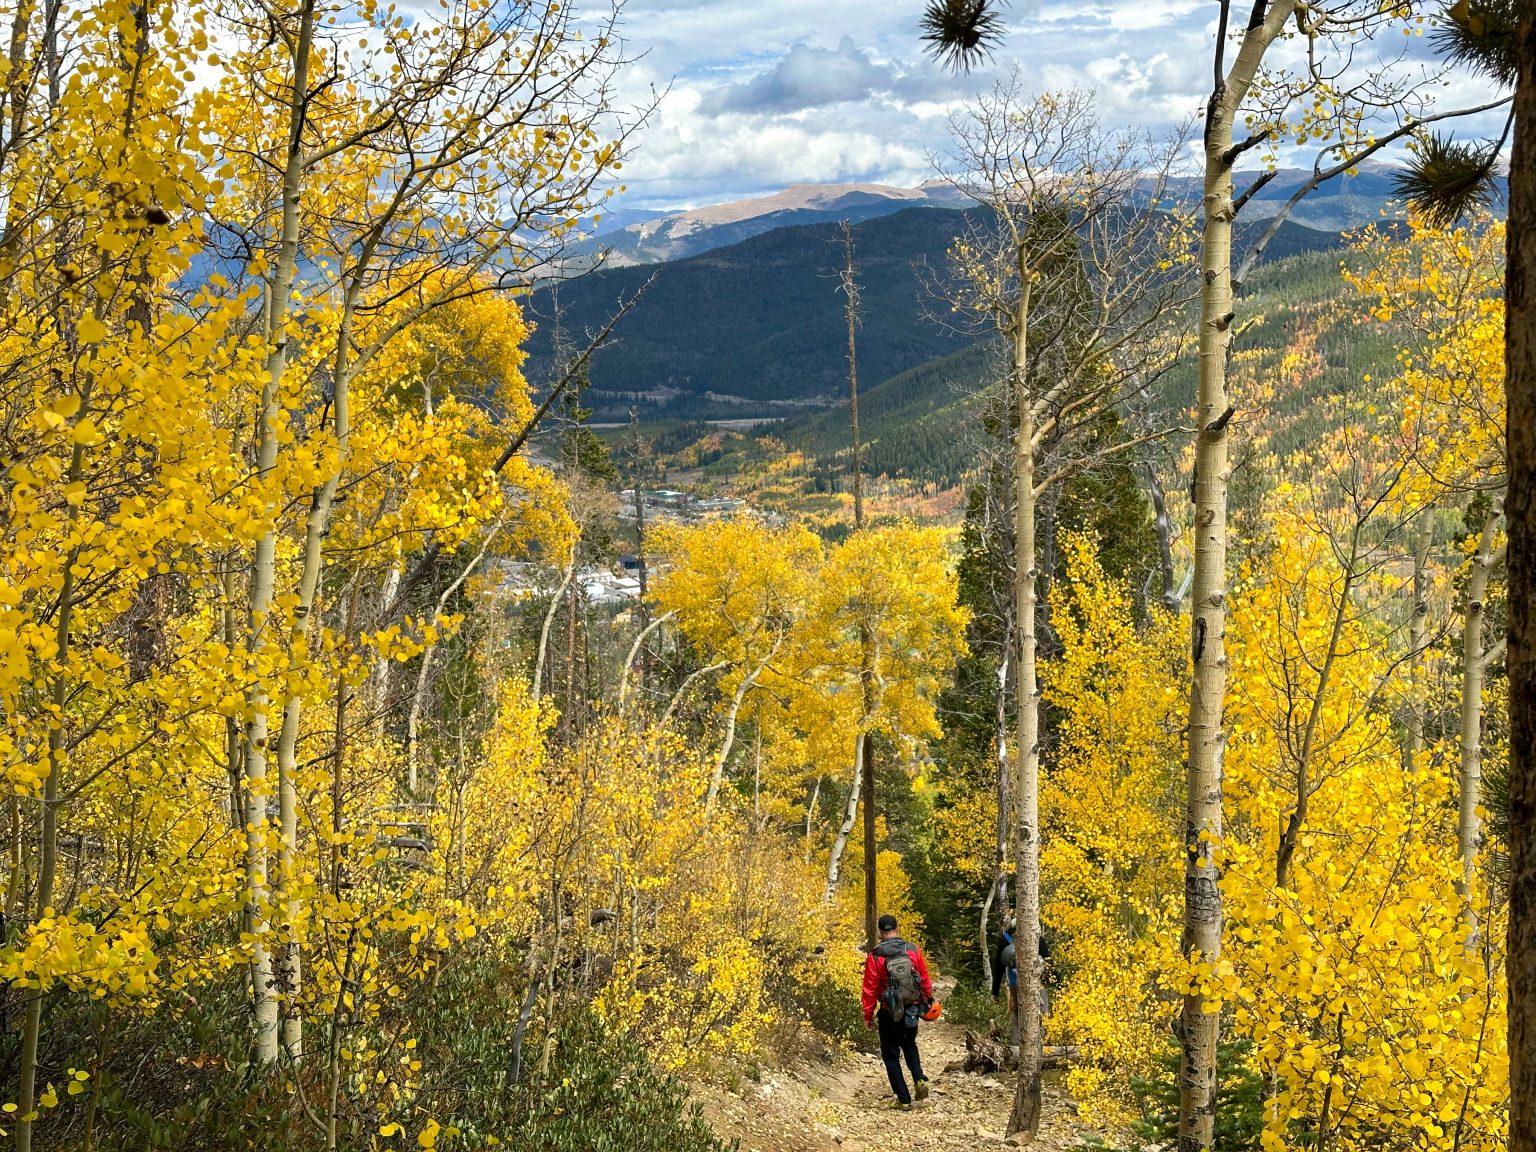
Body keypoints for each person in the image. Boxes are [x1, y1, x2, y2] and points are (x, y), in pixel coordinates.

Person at [860, 913, 935, 1110]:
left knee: (891, 1055)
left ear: (880, 933)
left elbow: (870, 989)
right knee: (909, 1044)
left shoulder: (875, 956)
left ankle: (903, 1099)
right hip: (912, 1008)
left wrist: (867, 1015)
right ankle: (919, 1079)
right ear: (897, 929)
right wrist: (928, 999)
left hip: (889, 1011)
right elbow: (924, 978)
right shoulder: (912, 950)